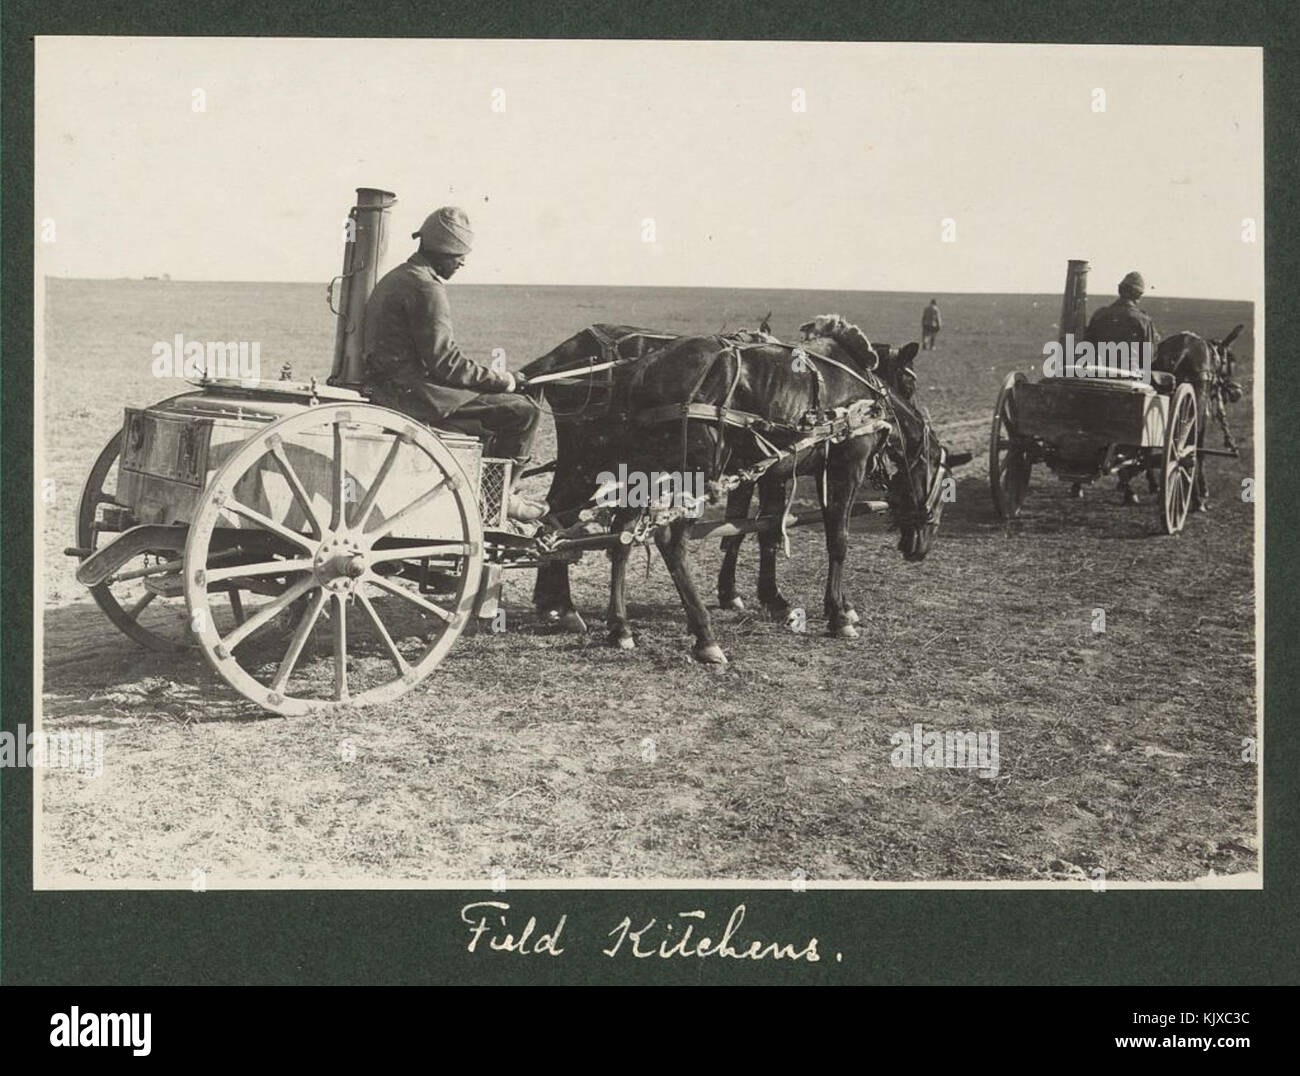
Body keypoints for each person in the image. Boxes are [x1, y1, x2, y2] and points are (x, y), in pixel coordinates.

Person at [362, 206, 546, 521]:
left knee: (497, 408)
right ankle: (501, 500)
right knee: (524, 411)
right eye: (458, 254)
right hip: (411, 394)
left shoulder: (399, 277)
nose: (462, 261)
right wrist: (503, 379)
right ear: (442, 253)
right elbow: (445, 362)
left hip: (389, 385)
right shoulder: (426, 286)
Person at [1080, 270, 1160, 505]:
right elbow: (1148, 357)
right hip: (1129, 383)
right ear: (1139, 296)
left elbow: (1086, 346)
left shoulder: (1100, 315)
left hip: (1095, 380)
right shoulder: (1143, 320)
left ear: (1119, 290)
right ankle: (1131, 478)